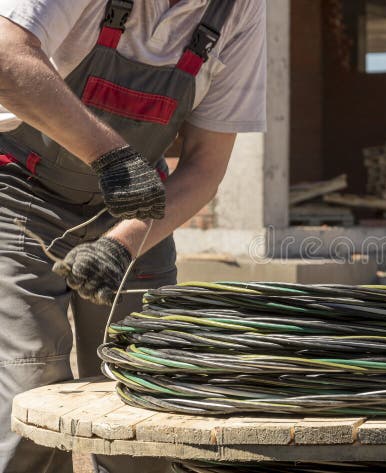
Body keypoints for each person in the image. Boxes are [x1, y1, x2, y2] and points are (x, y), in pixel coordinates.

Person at [0, 0, 266, 472]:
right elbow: (5, 57)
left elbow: (206, 167)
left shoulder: (240, 9)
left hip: (137, 208)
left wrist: (122, 243)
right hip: (21, 191)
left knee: (142, 396)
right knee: (31, 395)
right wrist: (112, 157)